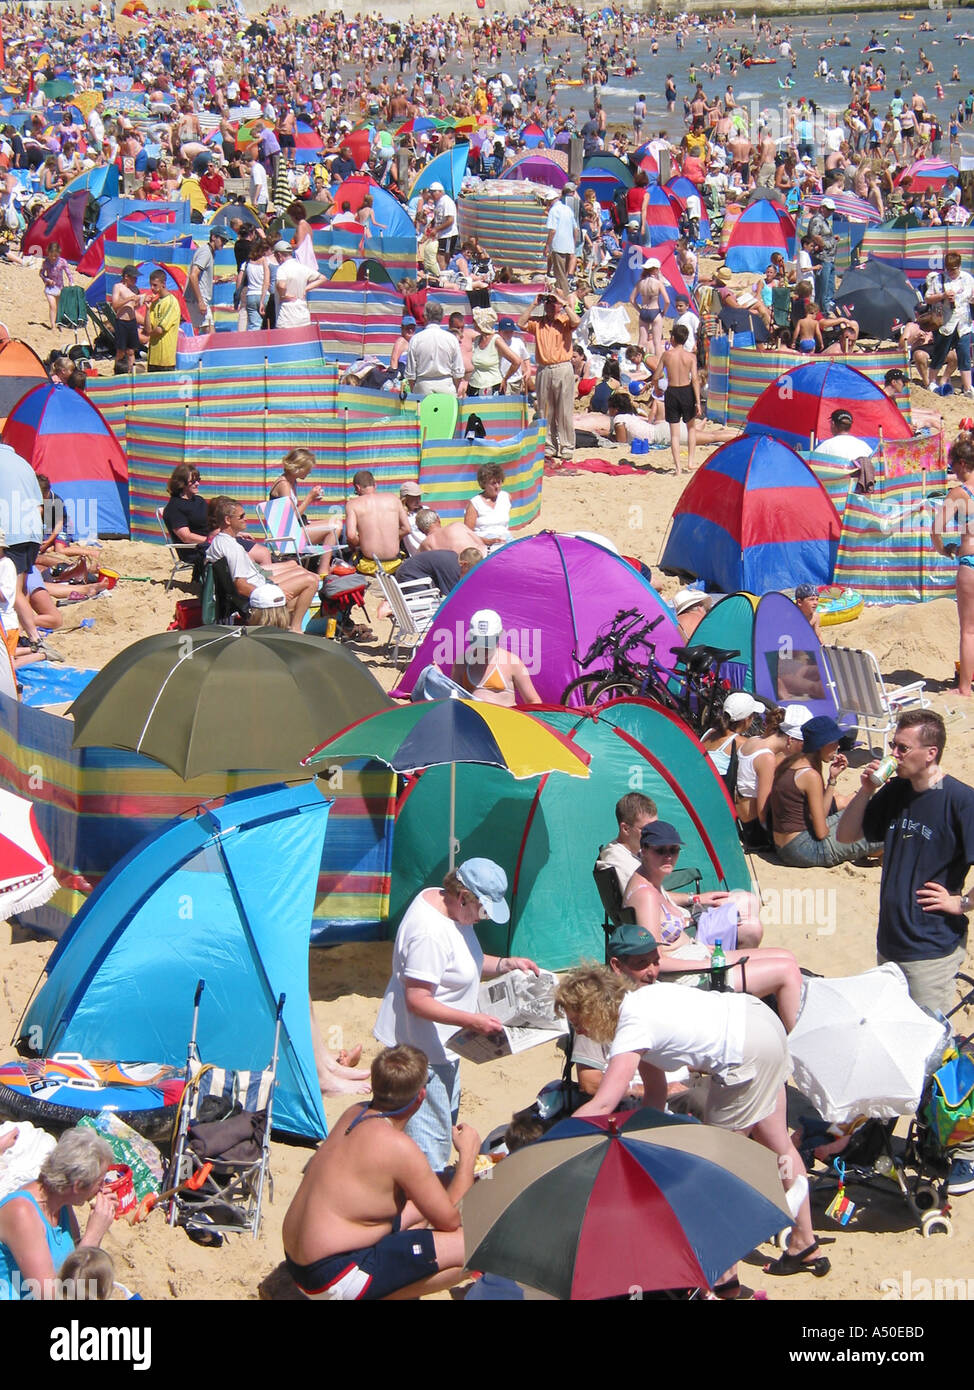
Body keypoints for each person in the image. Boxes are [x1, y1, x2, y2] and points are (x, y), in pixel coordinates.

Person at [557, 963, 825, 1284]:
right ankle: (804, 1243)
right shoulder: (642, 1001)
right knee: (777, 1140)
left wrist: (558, 1141)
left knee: (714, 1172)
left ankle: (725, 1278)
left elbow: (603, 1102)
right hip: (761, 1024)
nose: (580, 1032)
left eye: (578, 1022)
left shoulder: (632, 1028)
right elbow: (655, 1094)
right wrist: (642, 1140)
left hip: (745, 1054)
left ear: (593, 1011)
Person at [373, 861, 539, 1170]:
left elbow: (461, 961)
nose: (483, 919)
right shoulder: (430, 934)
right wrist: (473, 1021)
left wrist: (504, 964)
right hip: (424, 1054)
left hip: (444, 1046)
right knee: (428, 1150)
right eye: (483, 910)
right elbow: (417, 1000)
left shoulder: (441, 901)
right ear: (463, 896)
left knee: (438, 1127)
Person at [281, 1044, 479, 1300]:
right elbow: (450, 1221)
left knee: (420, 1212)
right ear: (421, 1097)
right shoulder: (399, 1148)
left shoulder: (354, 1113)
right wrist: (468, 1157)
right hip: (331, 1278)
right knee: (474, 1247)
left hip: (299, 1263)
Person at [837, 709, 974, 1042]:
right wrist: (867, 791)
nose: (893, 755)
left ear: (931, 754)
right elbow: (845, 836)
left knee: (929, 1043)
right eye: (893, 746)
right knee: (894, 1034)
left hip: (931, 948)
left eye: (902, 748)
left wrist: (961, 903)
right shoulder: (896, 791)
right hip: (890, 940)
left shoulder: (961, 801)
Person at [623, 818, 798, 1018]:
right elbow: (654, 961)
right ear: (644, 850)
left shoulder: (650, 880)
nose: (668, 856)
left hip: (697, 953)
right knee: (787, 971)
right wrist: (707, 964)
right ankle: (794, 1043)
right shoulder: (645, 896)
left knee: (787, 956)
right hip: (688, 976)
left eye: (674, 850)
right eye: (660, 850)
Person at [0, 1126, 116, 1301]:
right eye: (99, 1182)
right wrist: (93, 1235)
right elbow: (50, 1296)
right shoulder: (22, 1213)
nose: (103, 1188)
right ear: (77, 1186)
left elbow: (74, 1267)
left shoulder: (60, 1204)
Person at [772, 713, 875, 869]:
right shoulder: (810, 775)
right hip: (803, 848)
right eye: (834, 743)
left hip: (785, 845)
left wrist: (832, 779)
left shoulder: (790, 763)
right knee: (885, 832)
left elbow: (821, 813)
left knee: (862, 811)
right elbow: (821, 833)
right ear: (822, 744)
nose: (838, 746)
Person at [206, 496, 318, 633]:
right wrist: (273, 594)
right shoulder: (232, 549)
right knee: (311, 581)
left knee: (301, 573)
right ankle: (295, 628)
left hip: (259, 582)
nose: (245, 519)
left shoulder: (220, 541)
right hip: (258, 591)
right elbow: (241, 586)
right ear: (228, 520)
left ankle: (284, 622)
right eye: (241, 516)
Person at [517, 290, 579, 468]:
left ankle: (567, 446)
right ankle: (549, 446)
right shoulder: (538, 323)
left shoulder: (565, 321)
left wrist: (564, 303)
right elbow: (520, 323)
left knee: (564, 410)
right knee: (546, 410)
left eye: (554, 303)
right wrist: (534, 303)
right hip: (544, 368)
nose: (551, 306)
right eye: (548, 302)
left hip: (562, 366)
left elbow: (577, 321)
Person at [932, 436, 974, 696]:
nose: (953, 472)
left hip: (970, 561)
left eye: (953, 466)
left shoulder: (960, 493)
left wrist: (945, 549)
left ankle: (964, 688)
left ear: (962, 462)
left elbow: (936, 530)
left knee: (969, 630)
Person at [449, 608, 541, 707]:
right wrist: (438, 679)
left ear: (499, 635)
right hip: (474, 721)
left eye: (488, 641)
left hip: (505, 720)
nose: (483, 646)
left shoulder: (513, 663)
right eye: (479, 640)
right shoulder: (461, 663)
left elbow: (534, 701)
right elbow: (453, 699)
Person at [268, 447, 338, 569]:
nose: (309, 472)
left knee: (336, 523)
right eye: (308, 469)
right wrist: (309, 498)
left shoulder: (291, 482)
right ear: (298, 467)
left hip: (293, 530)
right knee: (335, 526)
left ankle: (322, 568)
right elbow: (291, 518)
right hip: (287, 536)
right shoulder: (284, 485)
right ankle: (323, 570)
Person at [650, 323, 701, 474]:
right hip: (687, 391)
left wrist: (658, 387)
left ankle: (678, 468)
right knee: (691, 428)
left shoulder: (667, 355)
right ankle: (690, 462)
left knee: (674, 433)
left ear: (673, 338)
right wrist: (698, 401)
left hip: (672, 391)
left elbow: (656, 376)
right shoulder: (691, 357)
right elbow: (695, 380)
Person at [345, 469, 411, 576]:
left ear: (357, 487)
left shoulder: (353, 504)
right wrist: (392, 537)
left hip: (369, 565)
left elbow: (351, 536)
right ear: (375, 485)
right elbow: (407, 529)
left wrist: (363, 541)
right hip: (395, 563)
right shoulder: (393, 499)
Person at [926, 251, 974, 398]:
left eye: (954, 269)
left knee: (964, 354)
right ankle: (932, 381)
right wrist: (943, 296)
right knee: (940, 353)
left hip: (963, 323)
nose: (951, 272)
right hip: (945, 323)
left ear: (959, 266)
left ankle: (967, 388)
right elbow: (928, 299)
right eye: (949, 269)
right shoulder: (939, 279)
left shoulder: (967, 278)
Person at [594, 790, 659, 894]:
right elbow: (652, 902)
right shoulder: (621, 863)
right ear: (625, 829)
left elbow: (662, 897)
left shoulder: (631, 853)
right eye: (646, 829)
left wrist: (691, 898)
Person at [405, 301, 465, 399]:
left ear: (425, 317)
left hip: (422, 387)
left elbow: (410, 374)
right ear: (441, 317)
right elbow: (458, 372)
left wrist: (415, 390)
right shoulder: (451, 339)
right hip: (446, 386)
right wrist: (453, 387)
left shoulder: (416, 339)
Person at [466, 307, 522, 396]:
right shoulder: (477, 340)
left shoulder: (496, 340)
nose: (473, 323)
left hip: (492, 386)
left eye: (475, 321)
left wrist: (505, 378)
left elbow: (516, 361)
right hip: (474, 386)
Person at [273, 241, 326, 330]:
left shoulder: (282, 269)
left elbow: (282, 285)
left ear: (279, 255)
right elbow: (322, 278)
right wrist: (305, 289)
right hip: (303, 314)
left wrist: (283, 295)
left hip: (286, 316)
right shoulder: (302, 267)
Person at [187, 226, 225, 335]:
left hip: (197, 298)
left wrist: (215, 282)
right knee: (210, 335)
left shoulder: (208, 252)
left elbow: (199, 278)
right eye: (222, 240)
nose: (224, 243)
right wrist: (200, 301)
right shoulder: (205, 252)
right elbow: (193, 275)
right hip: (198, 298)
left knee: (203, 334)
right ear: (213, 237)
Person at [464, 463, 512, 548]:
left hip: (505, 539)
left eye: (499, 482)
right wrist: (488, 541)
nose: (497, 486)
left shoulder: (505, 497)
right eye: (493, 483)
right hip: (484, 542)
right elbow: (468, 533)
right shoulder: (475, 503)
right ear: (484, 484)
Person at [543, 184, 578, 297]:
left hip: (558, 246)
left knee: (560, 275)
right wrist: (573, 244)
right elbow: (575, 229)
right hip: (569, 246)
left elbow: (552, 230)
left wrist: (547, 246)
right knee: (564, 274)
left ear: (549, 201)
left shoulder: (554, 211)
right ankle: (561, 296)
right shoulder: (567, 209)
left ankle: (566, 298)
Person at [630, 258, 670, 357]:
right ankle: (658, 367)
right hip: (655, 311)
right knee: (657, 343)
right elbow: (667, 301)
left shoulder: (640, 282)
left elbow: (632, 299)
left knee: (641, 341)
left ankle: (638, 366)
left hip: (644, 310)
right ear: (655, 269)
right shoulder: (658, 283)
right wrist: (663, 312)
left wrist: (639, 310)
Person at [109, 263, 143, 373]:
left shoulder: (135, 289)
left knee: (131, 351)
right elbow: (115, 305)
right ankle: (117, 372)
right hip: (121, 321)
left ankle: (131, 372)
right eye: (133, 277)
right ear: (126, 277)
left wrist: (141, 301)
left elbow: (135, 307)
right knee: (120, 351)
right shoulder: (118, 287)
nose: (135, 280)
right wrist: (129, 299)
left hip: (132, 321)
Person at [145, 268, 180, 372]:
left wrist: (150, 333)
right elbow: (147, 329)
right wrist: (147, 310)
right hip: (152, 358)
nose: (152, 288)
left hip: (165, 359)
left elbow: (160, 329)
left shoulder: (172, 302)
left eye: (155, 285)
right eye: (151, 285)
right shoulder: (154, 303)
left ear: (163, 283)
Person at [416, 508, 486, 559]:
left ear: (420, 530)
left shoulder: (425, 545)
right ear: (438, 519)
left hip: (461, 575)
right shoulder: (458, 526)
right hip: (482, 562)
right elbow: (480, 543)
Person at [40, 240, 73, 336]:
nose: (53, 258)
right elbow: (41, 274)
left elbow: (69, 273)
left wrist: (71, 282)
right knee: (52, 306)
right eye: (51, 255)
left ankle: (59, 323)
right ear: (48, 253)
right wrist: (46, 280)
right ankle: (53, 325)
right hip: (50, 288)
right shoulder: (46, 262)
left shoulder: (62, 262)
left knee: (58, 307)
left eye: (55, 255)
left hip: (60, 287)